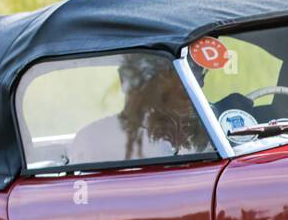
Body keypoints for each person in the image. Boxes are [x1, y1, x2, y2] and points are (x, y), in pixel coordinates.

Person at [68, 53, 211, 164]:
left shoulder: (209, 130)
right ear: (124, 79)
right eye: (148, 77)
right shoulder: (91, 139)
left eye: (195, 78)